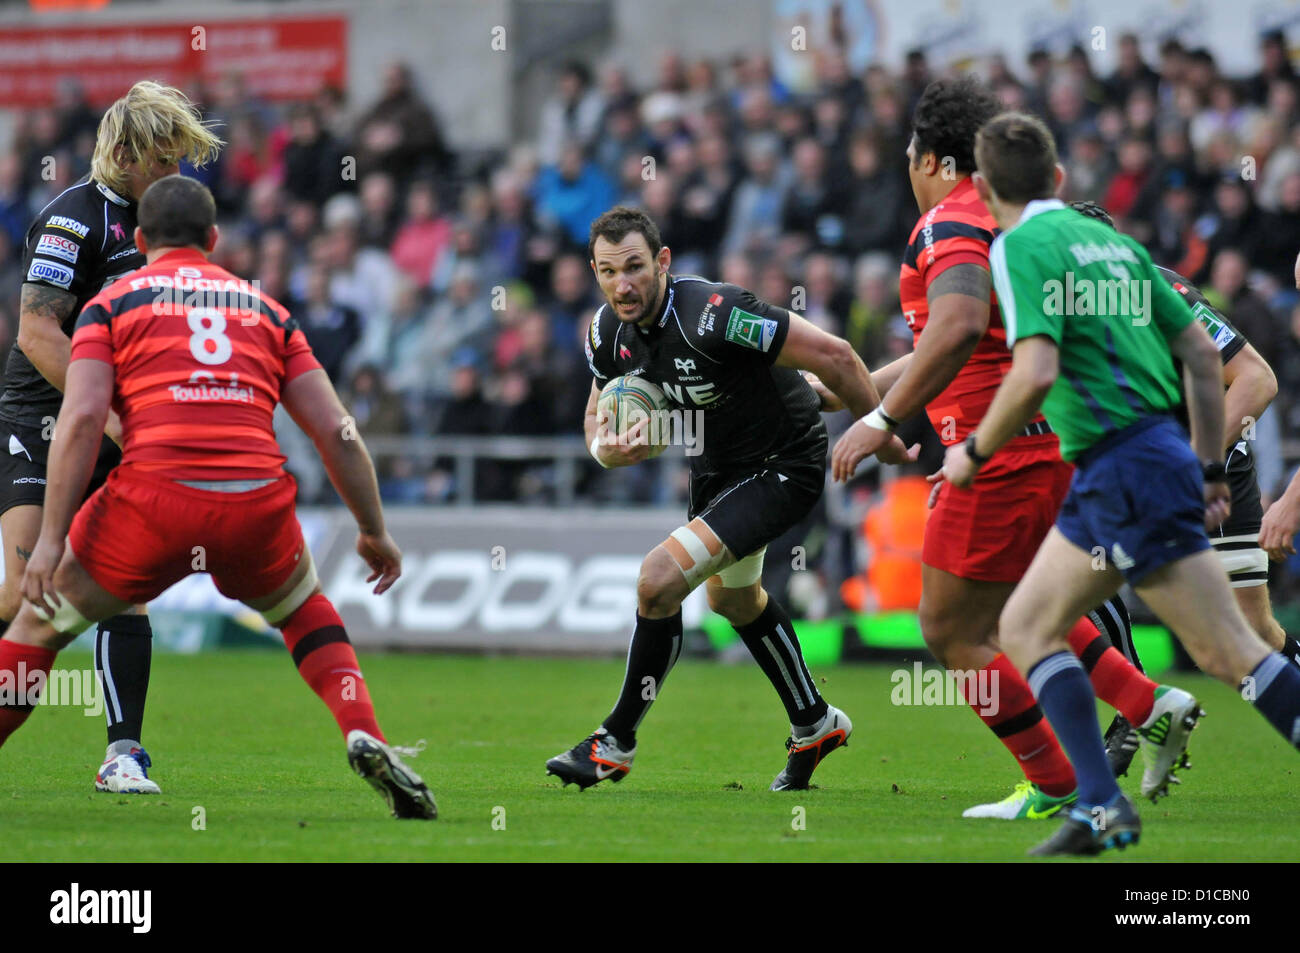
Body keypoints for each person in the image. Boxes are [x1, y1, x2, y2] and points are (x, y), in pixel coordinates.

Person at [0, 176, 435, 820]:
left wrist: (53, 541)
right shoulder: (266, 309)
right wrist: (373, 529)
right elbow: (335, 429)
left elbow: (83, 421)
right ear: (214, 239)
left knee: (41, 624)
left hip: (150, 499)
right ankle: (361, 729)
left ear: (140, 240)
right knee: (303, 609)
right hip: (254, 498)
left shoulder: (110, 306)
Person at [941, 112, 1300, 856]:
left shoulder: (1016, 248)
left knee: (1231, 650)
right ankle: (1102, 806)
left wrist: (973, 451)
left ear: (980, 188)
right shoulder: (1120, 247)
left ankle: (1101, 800)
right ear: (1059, 179)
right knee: (1029, 620)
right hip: (1151, 462)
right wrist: (1203, 465)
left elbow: (1035, 372)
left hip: (1120, 464)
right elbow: (1204, 358)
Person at [829, 78, 1180, 820]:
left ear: (932, 159)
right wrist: (856, 388)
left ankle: (1057, 781)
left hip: (998, 450)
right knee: (1025, 604)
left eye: (909, 154)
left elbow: (955, 328)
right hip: (1055, 439)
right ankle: (1147, 702)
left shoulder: (947, 221)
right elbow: (965, 335)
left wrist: (882, 417)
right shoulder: (1009, 219)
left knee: (951, 627)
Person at [545, 206, 916, 791]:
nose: (623, 285)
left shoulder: (717, 315)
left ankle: (614, 741)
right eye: (609, 272)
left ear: (662, 261)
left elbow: (838, 356)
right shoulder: (606, 332)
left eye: (636, 267)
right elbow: (596, 413)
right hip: (718, 470)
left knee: (656, 580)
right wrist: (605, 450)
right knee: (733, 603)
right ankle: (815, 722)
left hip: (784, 462)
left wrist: (882, 434)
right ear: (594, 271)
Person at [0, 81, 222, 794]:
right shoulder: (75, 219)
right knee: (22, 592)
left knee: (125, 589)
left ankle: (123, 754)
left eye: (183, 159)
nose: (176, 173)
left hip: (114, 425)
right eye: (164, 159)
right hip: (44, 421)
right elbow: (37, 332)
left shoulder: (170, 228)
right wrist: (119, 418)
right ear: (124, 154)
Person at [1069, 199, 1300, 769]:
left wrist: (1198, 466)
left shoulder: (1164, 296)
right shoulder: (1058, 304)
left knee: (1246, 635)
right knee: (1068, 577)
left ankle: (1139, 711)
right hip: (1133, 468)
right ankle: (1137, 709)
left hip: (1208, 470)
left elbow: (1257, 380)